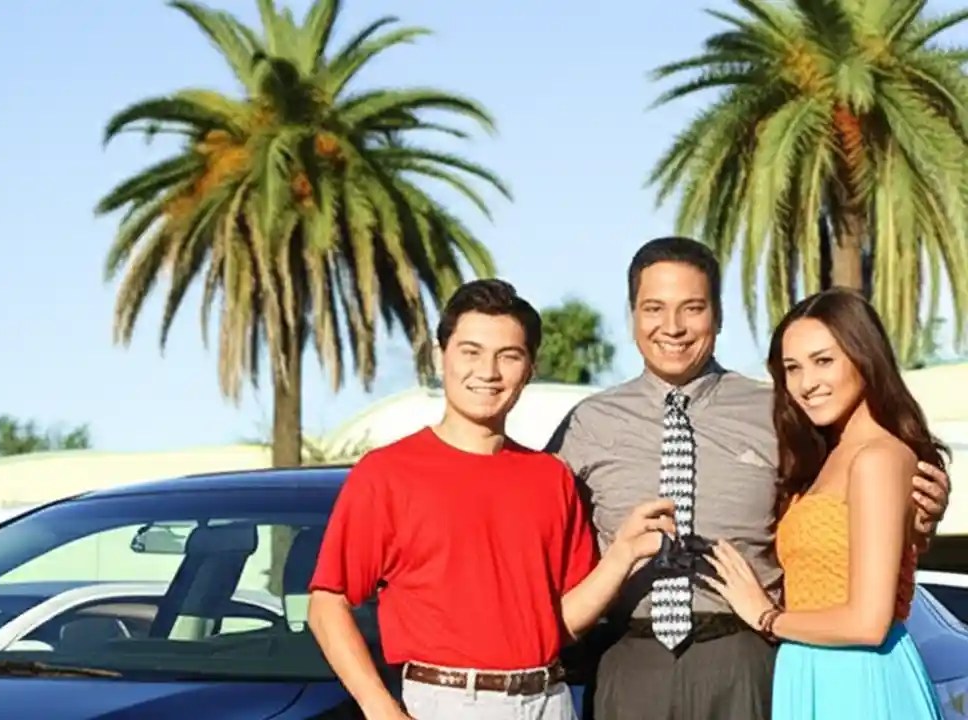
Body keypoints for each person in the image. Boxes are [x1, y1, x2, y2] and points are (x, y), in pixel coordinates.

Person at [545, 236, 951, 720]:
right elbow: (536, 535)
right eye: (654, 308)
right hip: (630, 664)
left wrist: (920, 517)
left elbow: (848, 504)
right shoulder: (585, 424)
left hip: (749, 659)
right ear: (632, 314)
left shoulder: (785, 411)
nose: (672, 327)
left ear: (718, 316)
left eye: (692, 308)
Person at [306, 279, 678, 720]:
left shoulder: (551, 477)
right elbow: (327, 604)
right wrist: (379, 707)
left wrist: (623, 554)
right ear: (439, 356)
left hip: (549, 701)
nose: (488, 371)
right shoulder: (387, 473)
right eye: (471, 351)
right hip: (443, 703)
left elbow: (559, 624)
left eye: (509, 355)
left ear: (530, 368)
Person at [701, 288, 945, 719]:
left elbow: (868, 623)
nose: (806, 383)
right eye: (792, 368)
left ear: (864, 356)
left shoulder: (878, 457)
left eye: (823, 360)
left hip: (861, 680)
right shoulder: (826, 457)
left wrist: (765, 616)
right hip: (810, 670)